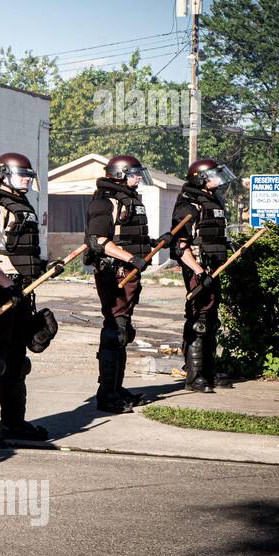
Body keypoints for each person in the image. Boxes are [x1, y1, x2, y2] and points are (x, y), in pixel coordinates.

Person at [0, 153, 58, 447]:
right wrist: (8, 286)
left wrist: (44, 268)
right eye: (22, 176)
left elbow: (18, 252)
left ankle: (13, 424)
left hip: (22, 292)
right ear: (3, 174)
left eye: (30, 177)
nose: (28, 181)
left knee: (17, 361)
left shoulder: (22, 206)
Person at [86, 154, 155, 413]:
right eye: (134, 173)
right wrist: (129, 258)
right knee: (115, 329)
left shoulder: (130, 199)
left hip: (129, 270)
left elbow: (129, 238)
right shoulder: (105, 202)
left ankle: (116, 387)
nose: (138, 177)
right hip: (114, 272)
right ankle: (106, 394)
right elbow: (99, 241)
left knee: (123, 329)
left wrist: (156, 243)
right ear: (119, 173)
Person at [170, 159, 238, 392]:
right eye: (213, 176)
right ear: (200, 178)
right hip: (198, 269)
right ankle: (194, 377)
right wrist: (199, 272)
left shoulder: (213, 201)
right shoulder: (189, 204)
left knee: (210, 319)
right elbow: (180, 247)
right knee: (198, 319)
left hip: (213, 268)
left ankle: (208, 371)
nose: (218, 181)